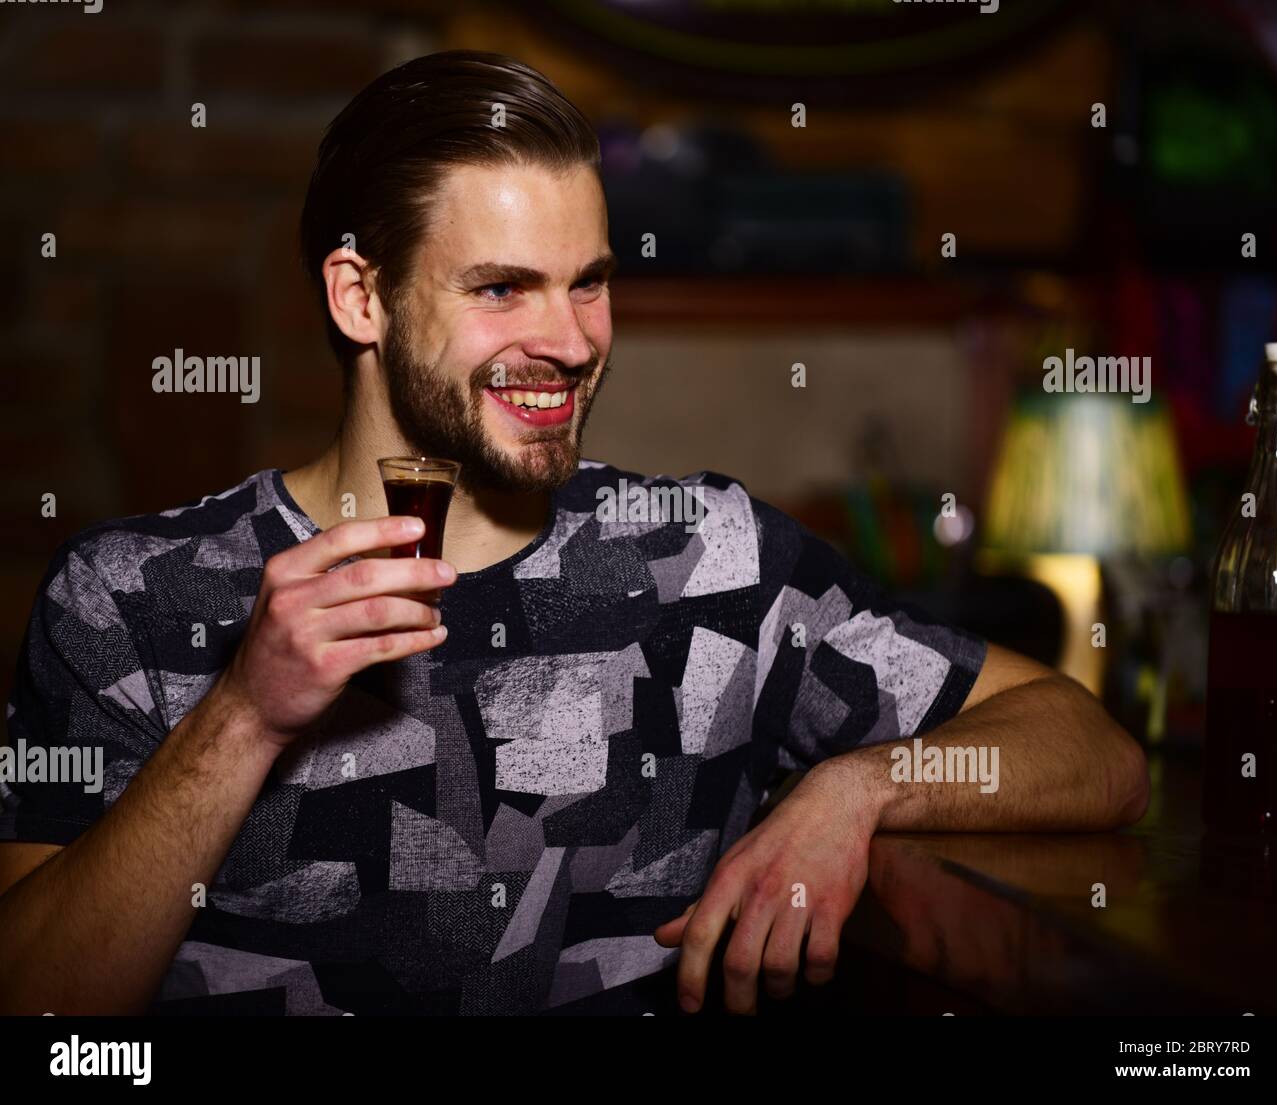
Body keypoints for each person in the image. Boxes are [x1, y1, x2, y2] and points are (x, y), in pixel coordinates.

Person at [0, 51, 1147, 1016]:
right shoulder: (129, 596)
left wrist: (857, 787)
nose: (568, 340)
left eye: (588, 282)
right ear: (360, 296)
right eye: (501, 289)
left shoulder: (706, 559)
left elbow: (1091, 751)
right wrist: (245, 713)